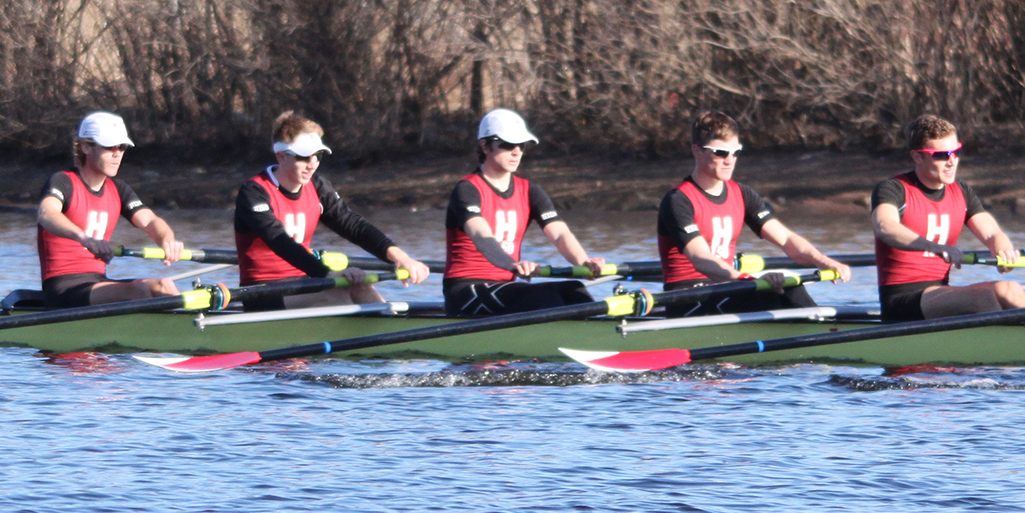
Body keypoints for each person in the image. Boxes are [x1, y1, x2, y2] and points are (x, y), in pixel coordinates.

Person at [656, 111, 854, 317]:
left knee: (789, 285)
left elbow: (786, 239)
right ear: (697, 151)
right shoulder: (678, 200)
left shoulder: (742, 193)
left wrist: (822, 261)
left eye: (735, 152)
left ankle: (823, 327)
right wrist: (749, 280)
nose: (730, 160)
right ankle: (818, 331)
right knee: (769, 292)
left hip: (728, 287)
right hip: (688, 298)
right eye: (720, 152)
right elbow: (701, 258)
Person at [233, 111, 431, 310]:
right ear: (281, 156)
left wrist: (401, 258)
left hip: (305, 281)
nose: (312, 165)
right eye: (304, 157)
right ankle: (356, 327)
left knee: (360, 285)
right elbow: (278, 240)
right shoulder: (254, 192)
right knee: (334, 291)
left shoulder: (317, 186)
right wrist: (328, 274)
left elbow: (353, 226)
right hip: (262, 290)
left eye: (318, 156)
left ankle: (389, 323)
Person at [443, 109, 608, 316]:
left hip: (503, 288)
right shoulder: (467, 189)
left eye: (521, 145)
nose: (516, 152)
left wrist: (584, 263)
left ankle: (597, 333)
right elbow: (480, 235)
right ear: (485, 146)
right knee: (544, 297)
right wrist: (511, 264)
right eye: (507, 144)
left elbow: (559, 234)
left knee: (573, 290)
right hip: (466, 291)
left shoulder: (530, 191)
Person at [872, 115, 1025, 322]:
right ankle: (1006, 340)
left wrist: (1003, 248)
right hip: (901, 300)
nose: (952, 161)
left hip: (939, 293)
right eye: (941, 155)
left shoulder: (961, 192)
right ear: (917, 156)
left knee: (1010, 288)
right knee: (981, 298)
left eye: (956, 152)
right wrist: (934, 247)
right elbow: (885, 226)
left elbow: (991, 233)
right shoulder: (893, 189)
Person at [36, 111, 184, 308]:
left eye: (122, 147)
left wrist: (166, 239)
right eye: (110, 147)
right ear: (86, 147)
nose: (117, 154)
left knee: (164, 285)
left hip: (97, 282)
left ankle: (189, 322)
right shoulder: (63, 181)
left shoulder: (118, 189)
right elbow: (47, 213)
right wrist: (84, 238)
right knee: (138, 290)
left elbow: (150, 221)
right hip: (63, 288)